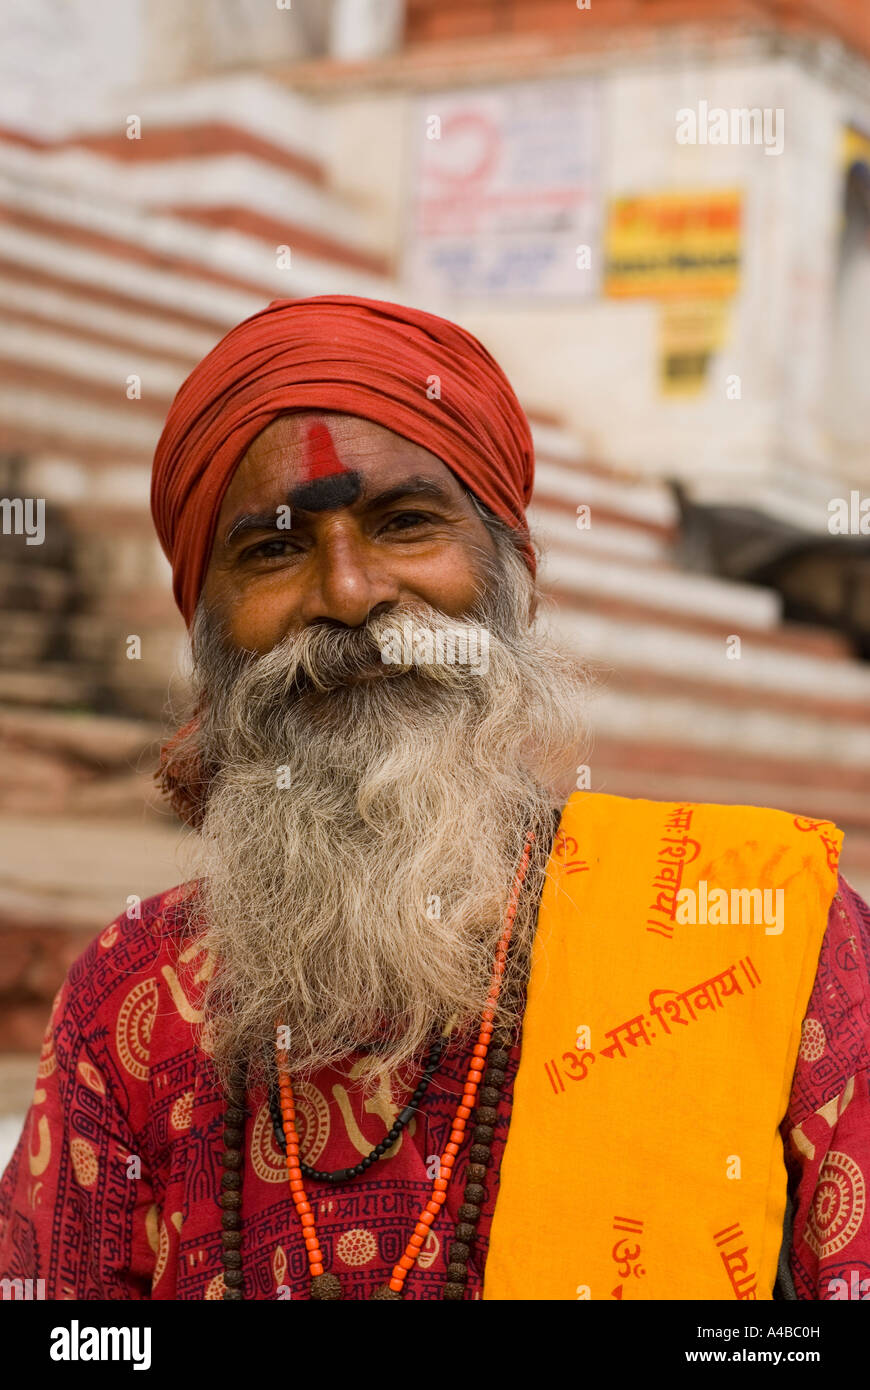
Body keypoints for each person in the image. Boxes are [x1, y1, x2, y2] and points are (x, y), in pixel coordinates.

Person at [1, 296, 867, 1301]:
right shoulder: (133, 998)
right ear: (210, 635)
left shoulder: (761, 934)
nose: (351, 590)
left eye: (406, 523)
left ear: (517, 582)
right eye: (275, 549)